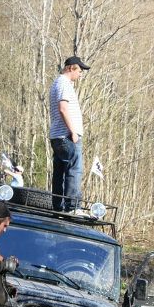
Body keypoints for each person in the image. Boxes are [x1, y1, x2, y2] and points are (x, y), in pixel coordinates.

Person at [49, 56, 90, 212]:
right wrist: (73, 131)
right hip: (66, 136)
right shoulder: (64, 83)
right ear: (71, 68)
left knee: (59, 172)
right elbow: (63, 108)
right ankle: (72, 207)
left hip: (57, 136)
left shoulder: (57, 83)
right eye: (79, 70)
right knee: (74, 170)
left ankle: (58, 207)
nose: (80, 74)